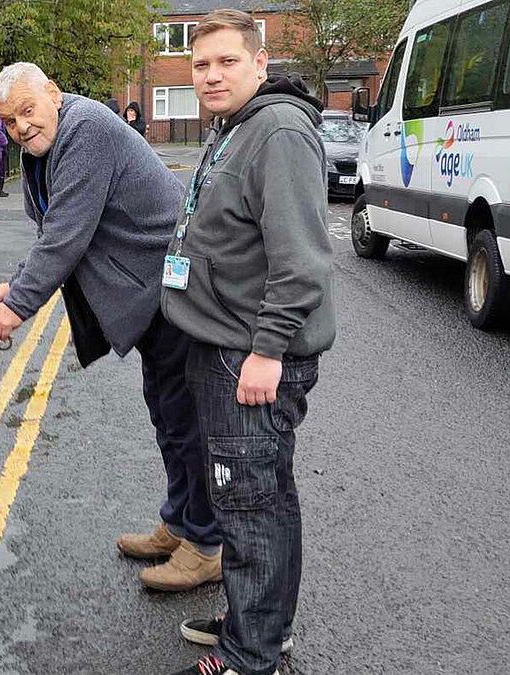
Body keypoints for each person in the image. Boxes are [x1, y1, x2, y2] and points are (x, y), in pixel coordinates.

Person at [0, 62, 223, 592]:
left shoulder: (85, 131)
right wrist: (14, 283)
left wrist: (15, 308)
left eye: (28, 110)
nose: (21, 127)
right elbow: (51, 231)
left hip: (173, 291)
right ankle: (180, 524)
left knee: (183, 419)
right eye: (10, 121)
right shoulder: (38, 154)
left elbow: (67, 235)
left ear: (54, 93)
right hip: (149, 297)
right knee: (166, 415)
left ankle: (205, 545)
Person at [159, 9, 334, 675]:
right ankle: (260, 623)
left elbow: (301, 262)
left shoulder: (280, 131)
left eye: (227, 61)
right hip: (225, 342)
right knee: (260, 494)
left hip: (249, 354)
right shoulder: (237, 125)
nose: (211, 75)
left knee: (247, 500)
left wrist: (266, 351)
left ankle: (250, 656)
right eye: (201, 64)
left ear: (259, 64)